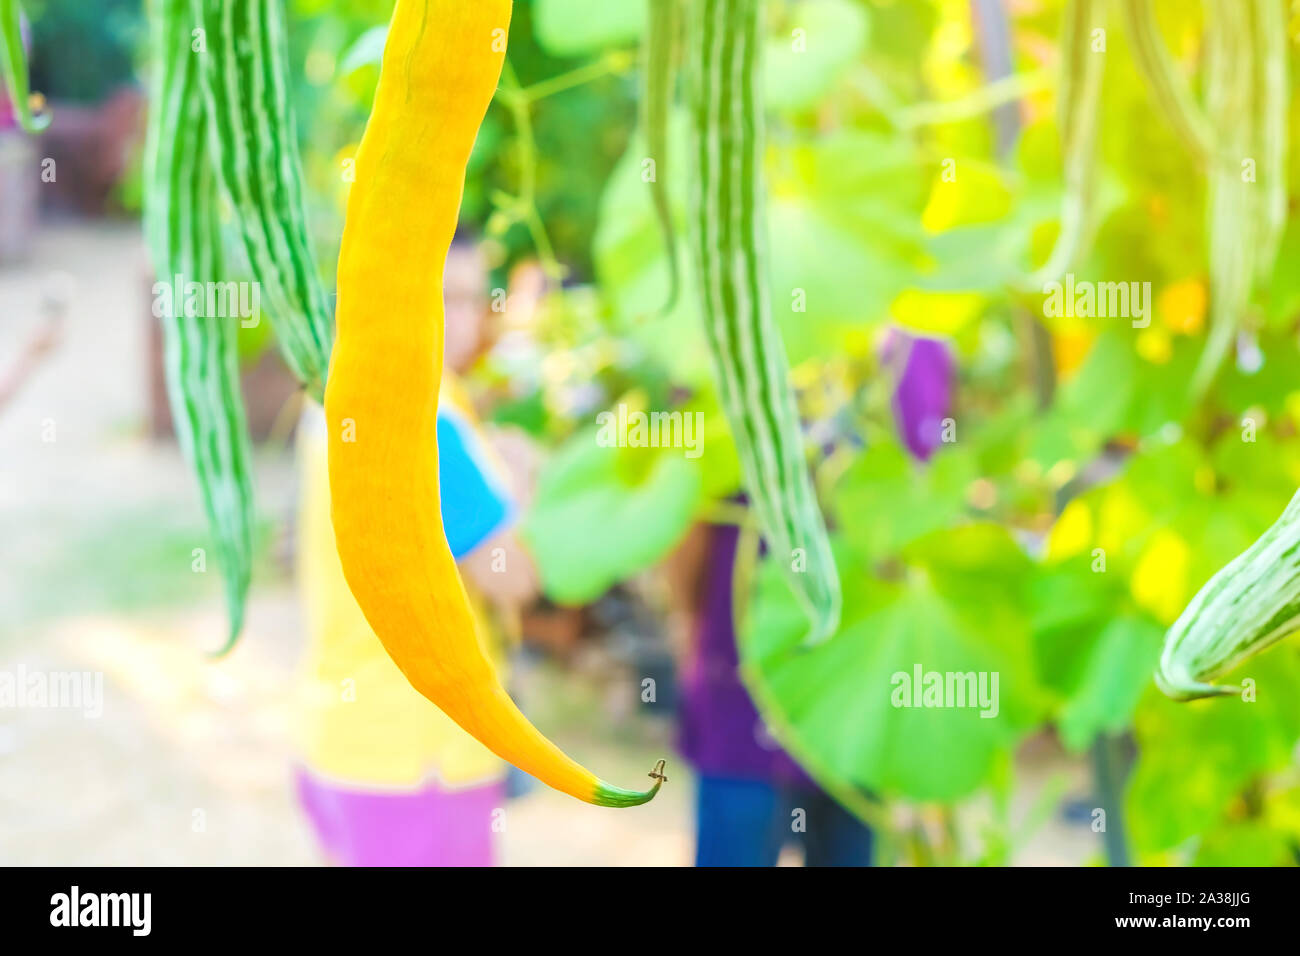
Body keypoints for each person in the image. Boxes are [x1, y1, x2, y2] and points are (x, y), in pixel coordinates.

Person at [291, 237, 539, 866]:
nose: (463, 319)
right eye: (443, 297)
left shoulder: (345, 387)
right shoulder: (421, 419)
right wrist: (526, 488)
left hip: (348, 739)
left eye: (470, 298)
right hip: (421, 756)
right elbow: (512, 577)